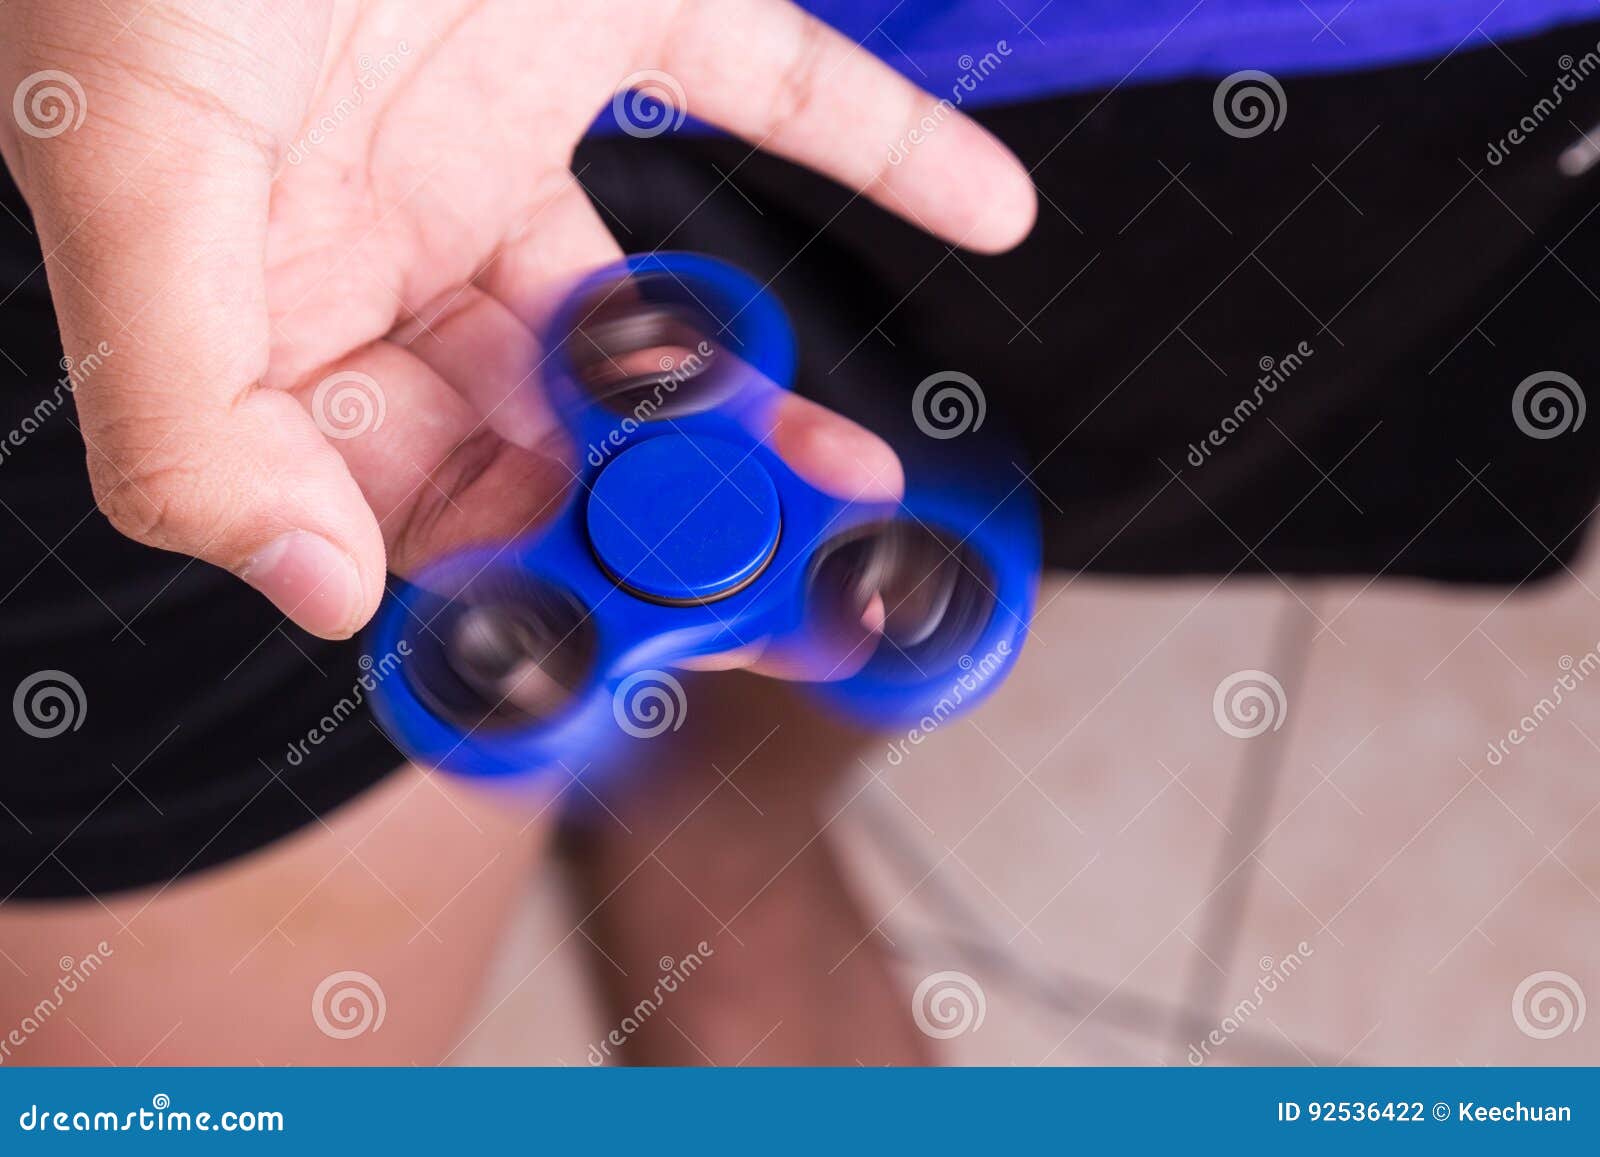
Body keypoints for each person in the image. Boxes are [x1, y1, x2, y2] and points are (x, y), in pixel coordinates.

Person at [2, 0, 1597, 1064]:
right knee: (223, 874)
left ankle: (712, 816)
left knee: (942, 521)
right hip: (247, 91)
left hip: (1275, 60)